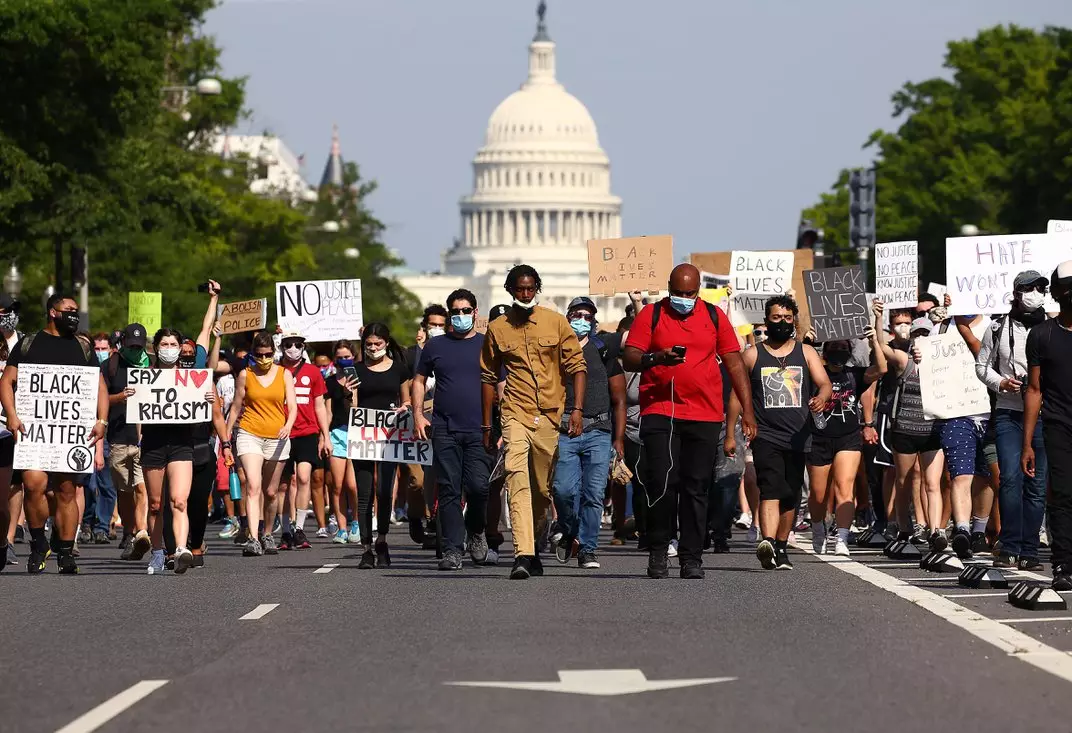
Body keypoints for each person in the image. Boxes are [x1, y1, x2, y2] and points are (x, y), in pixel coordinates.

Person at [623, 264, 754, 579]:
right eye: (678, 293)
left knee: (696, 488)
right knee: (662, 484)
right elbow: (630, 356)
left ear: (698, 291)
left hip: (704, 414)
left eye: (690, 294)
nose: (684, 299)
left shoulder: (712, 316)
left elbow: (735, 363)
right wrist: (657, 358)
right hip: (660, 411)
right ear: (668, 288)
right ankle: (658, 550)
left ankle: (691, 557)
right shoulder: (651, 315)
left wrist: (748, 410)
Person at [480, 264, 587, 580]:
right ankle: (522, 554)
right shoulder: (498, 328)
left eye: (530, 289)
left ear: (536, 289)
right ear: (510, 290)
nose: (525, 294)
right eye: (519, 289)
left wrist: (577, 410)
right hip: (515, 412)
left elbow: (577, 366)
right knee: (516, 479)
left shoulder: (555, 323)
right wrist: (488, 424)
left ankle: (536, 542)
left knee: (541, 489)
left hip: (549, 417)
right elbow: (488, 375)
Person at [0, 293, 108, 574]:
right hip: (34, 431)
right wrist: (11, 414)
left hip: (70, 433)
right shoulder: (28, 344)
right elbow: (7, 381)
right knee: (33, 484)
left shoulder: (83, 348)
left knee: (66, 490)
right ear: (52, 312)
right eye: (69, 309)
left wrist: (102, 421)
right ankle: (38, 544)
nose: (74, 314)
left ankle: (65, 551)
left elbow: (99, 387)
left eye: (76, 310)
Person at [742, 295, 831, 570]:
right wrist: (741, 423)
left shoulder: (805, 352)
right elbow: (739, 393)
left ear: (794, 320)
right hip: (765, 433)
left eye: (787, 318)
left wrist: (822, 398)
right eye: (776, 318)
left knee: (790, 494)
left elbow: (825, 384)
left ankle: (781, 545)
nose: (782, 323)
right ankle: (767, 542)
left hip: (798, 435)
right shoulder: (753, 354)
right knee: (770, 487)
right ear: (766, 320)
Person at [412, 289, 493, 570]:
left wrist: (502, 421)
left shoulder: (487, 345)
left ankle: (477, 532)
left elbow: (501, 384)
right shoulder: (437, 347)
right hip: (444, 427)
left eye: (465, 310)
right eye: (455, 312)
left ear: (475, 312)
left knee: (479, 487)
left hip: (480, 429)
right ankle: (452, 550)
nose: (461, 316)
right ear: (449, 316)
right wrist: (418, 415)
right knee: (448, 490)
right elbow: (419, 380)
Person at [804, 300, 887, 557]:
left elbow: (882, 368)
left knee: (845, 487)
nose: (839, 350)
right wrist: (806, 342)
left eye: (843, 347)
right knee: (818, 496)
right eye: (834, 347)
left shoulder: (855, 375)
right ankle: (818, 526)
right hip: (817, 438)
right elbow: (796, 365)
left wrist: (875, 338)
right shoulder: (813, 372)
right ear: (825, 350)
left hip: (848, 437)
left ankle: (841, 537)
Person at [978, 270, 1049, 570]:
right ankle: (1010, 544)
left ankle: (1030, 550)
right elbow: (981, 366)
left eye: (1041, 288)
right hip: (1009, 413)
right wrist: (1001, 383)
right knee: (1009, 478)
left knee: (1037, 484)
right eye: (1030, 288)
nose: (1036, 292)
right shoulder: (997, 327)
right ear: (1017, 293)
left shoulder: (1051, 328)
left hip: (1045, 416)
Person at [551, 296, 626, 570]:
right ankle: (568, 530)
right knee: (563, 490)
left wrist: (618, 439)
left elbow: (619, 399)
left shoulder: (602, 350)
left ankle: (588, 549)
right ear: (567, 316)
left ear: (593, 321)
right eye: (576, 314)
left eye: (587, 315)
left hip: (598, 431)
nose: (581, 320)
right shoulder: (555, 349)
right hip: (564, 430)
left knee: (593, 494)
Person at [1023, 261, 1072, 590]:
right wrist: (1027, 443)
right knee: (1064, 495)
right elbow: (1035, 390)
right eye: (1067, 287)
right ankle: (1064, 564)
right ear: (1055, 293)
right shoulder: (1041, 335)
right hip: (1058, 426)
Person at [227, 331, 297, 557]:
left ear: (273, 353)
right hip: (250, 433)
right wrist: (226, 437)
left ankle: (268, 533)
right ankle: (253, 537)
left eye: (268, 354)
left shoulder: (284, 374)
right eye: (259, 355)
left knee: (271, 491)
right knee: (253, 486)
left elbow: (293, 406)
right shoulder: (245, 375)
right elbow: (236, 407)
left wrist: (288, 425)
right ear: (253, 354)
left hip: (278, 437)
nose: (264, 359)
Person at [883, 316, 946, 549]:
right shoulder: (904, 361)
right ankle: (904, 527)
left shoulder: (942, 366)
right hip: (905, 431)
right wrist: (878, 318)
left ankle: (936, 530)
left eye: (926, 334)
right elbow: (882, 348)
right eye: (916, 334)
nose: (921, 339)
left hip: (932, 431)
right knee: (904, 481)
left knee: (932, 482)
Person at [352, 322, 410, 569]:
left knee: (385, 490)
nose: (373, 348)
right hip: (363, 436)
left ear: (386, 343)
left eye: (377, 344)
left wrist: (404, 408)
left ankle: (382, 540)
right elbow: (352, 406)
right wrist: (347, 395)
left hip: (390, 435)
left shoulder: (399, 369)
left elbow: (406, 399)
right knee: (364, 493)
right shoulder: (355, 370)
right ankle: (366, 548)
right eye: (368, 344)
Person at [276, 331, 330, 551]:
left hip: (307, 431)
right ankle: (285, 530)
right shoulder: (275, 370)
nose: (293, 348)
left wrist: (324, 436)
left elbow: (319, 405)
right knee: (283, 484)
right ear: (281, 347)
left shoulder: (313, 371)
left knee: (305, 477)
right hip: (281, 432)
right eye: (289, 344)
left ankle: (299, 528)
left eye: (298, 344)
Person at [401, 305, 447, 544]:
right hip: (417, 423)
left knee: (441, 476)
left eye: (441, 325)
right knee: (417, 479)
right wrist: (407, 403)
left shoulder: (451, 349)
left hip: (445, 421)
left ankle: (435, 521)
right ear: (424, 327)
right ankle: (416, 515)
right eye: (433, 325)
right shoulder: (411, 355)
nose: (437, 329)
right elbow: (403, 382)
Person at [323, 340, 361, 545]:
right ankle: (342, 527)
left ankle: (356, 522)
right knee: (337, 486)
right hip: (337, 433)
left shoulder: (358, 378)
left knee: (353, 485)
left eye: (347, 357)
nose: (344, 360)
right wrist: (325, 436)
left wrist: (350, 390)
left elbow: (356, 408)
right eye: (340, 358)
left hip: (356, 434)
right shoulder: (329, 382)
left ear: (353, 357)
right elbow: (327, 411)